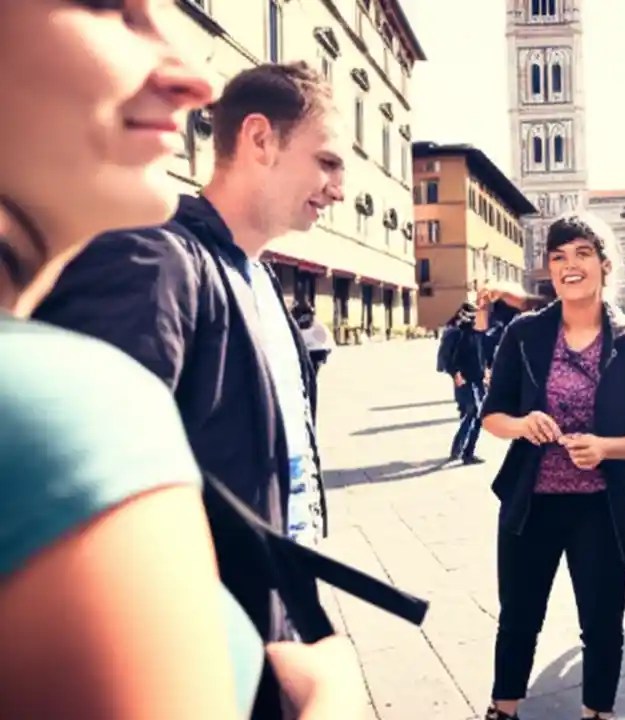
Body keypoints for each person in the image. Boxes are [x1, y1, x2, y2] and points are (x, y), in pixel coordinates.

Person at [0, 2, 360, 717]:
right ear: (259, 139)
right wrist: (336, 702)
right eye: (109, 7)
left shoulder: (257, 277)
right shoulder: (155, 259)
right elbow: (85, 498)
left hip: (256, 625)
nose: (340, 188)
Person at [479, 213, 625, 720]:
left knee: (602, 623)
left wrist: (605, 447)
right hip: (529, 502)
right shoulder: (524, 334)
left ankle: (597, 712)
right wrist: (523, 425)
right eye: (558, 257)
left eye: (582, 253)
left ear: (605, 265)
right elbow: (492, 415)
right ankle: (503, 709)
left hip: (598, 510)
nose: (569, 265)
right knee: (518, 617)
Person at [444, 302, 486, 464]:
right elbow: (449, 360)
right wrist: (455, 374)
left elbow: (480, 357)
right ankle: (461, 450)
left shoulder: (476, 335)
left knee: (476, 416)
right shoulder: (458, 335)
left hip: (478, 381)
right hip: (465, 382)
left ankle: (466, 451)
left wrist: (485, 371)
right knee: (472, 413)